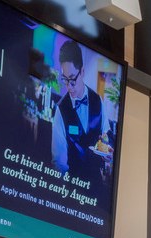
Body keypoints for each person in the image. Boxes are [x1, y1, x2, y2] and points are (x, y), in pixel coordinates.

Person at [50, 40, 103, 182]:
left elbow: (105, 138)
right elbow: (58, 161)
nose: (69, 87)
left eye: (72, 79)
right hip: (73, 187)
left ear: (83, 72)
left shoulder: (98, 101)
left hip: (98, 187)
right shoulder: (61, 109)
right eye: (65, 80)